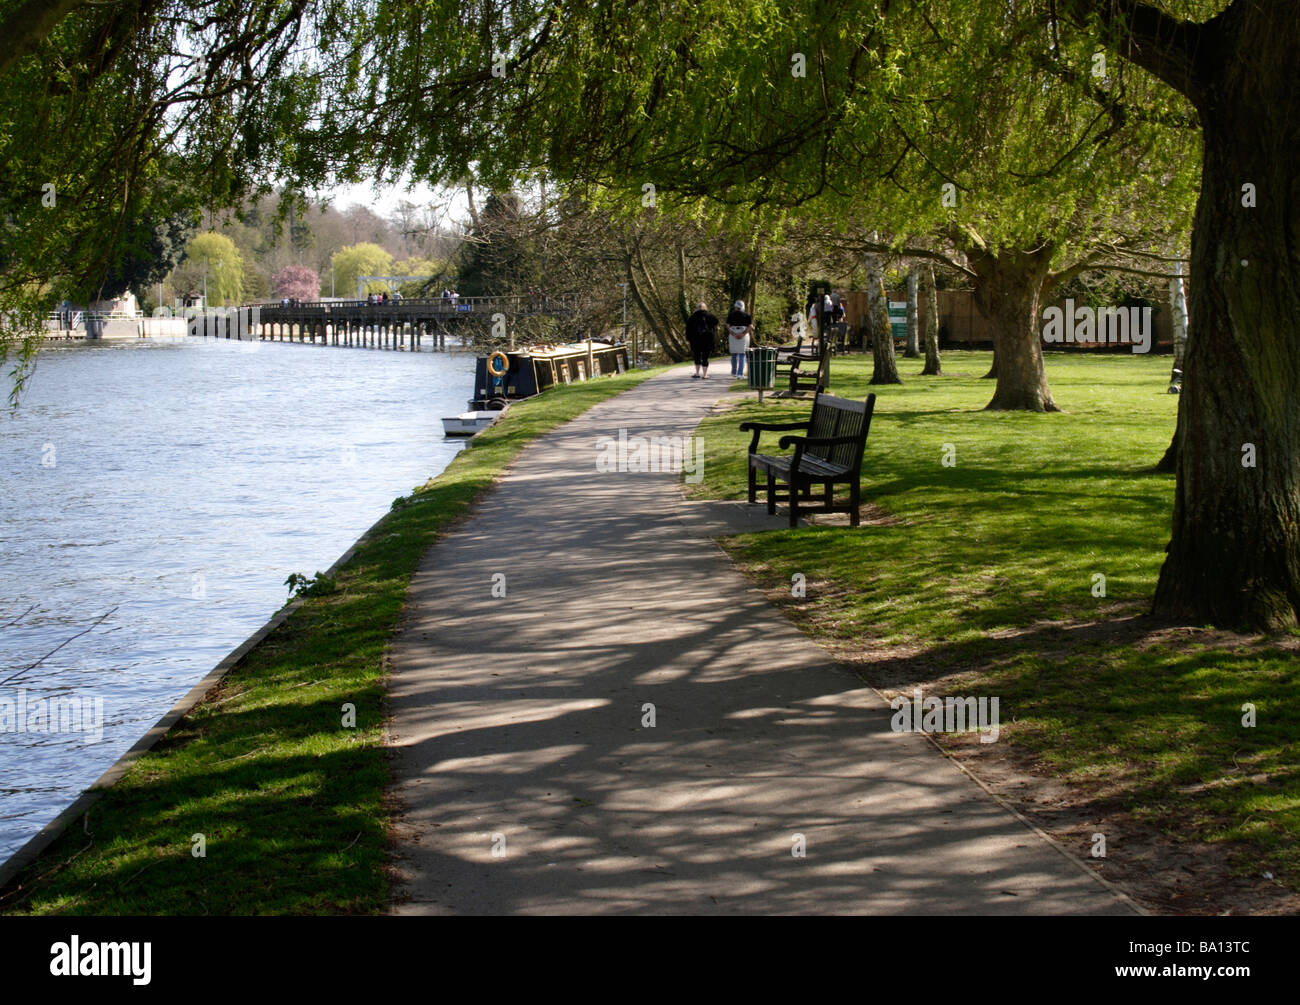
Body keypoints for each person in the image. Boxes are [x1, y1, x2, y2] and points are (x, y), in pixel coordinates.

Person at [685, 301, 718, 379]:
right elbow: (716, 322)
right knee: (705, 357)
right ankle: (705, 374)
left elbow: (687, 329)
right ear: (705, 307)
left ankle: (697, 373)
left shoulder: (692, 317)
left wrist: (688, 339)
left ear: (697, 308)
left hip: (695, 340)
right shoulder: (709, 316)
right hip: (707, 339)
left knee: (697, 356)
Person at [726, 299, 753, 377]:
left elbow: (727, 326)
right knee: (742, 354)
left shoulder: (731, 314)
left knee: (733, 354)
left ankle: (734, 372)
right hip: (743, 334)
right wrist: (743, 334)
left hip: (733, 333)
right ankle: (740, 373)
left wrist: (733, 334)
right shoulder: (747, 315)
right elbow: (750, 326)